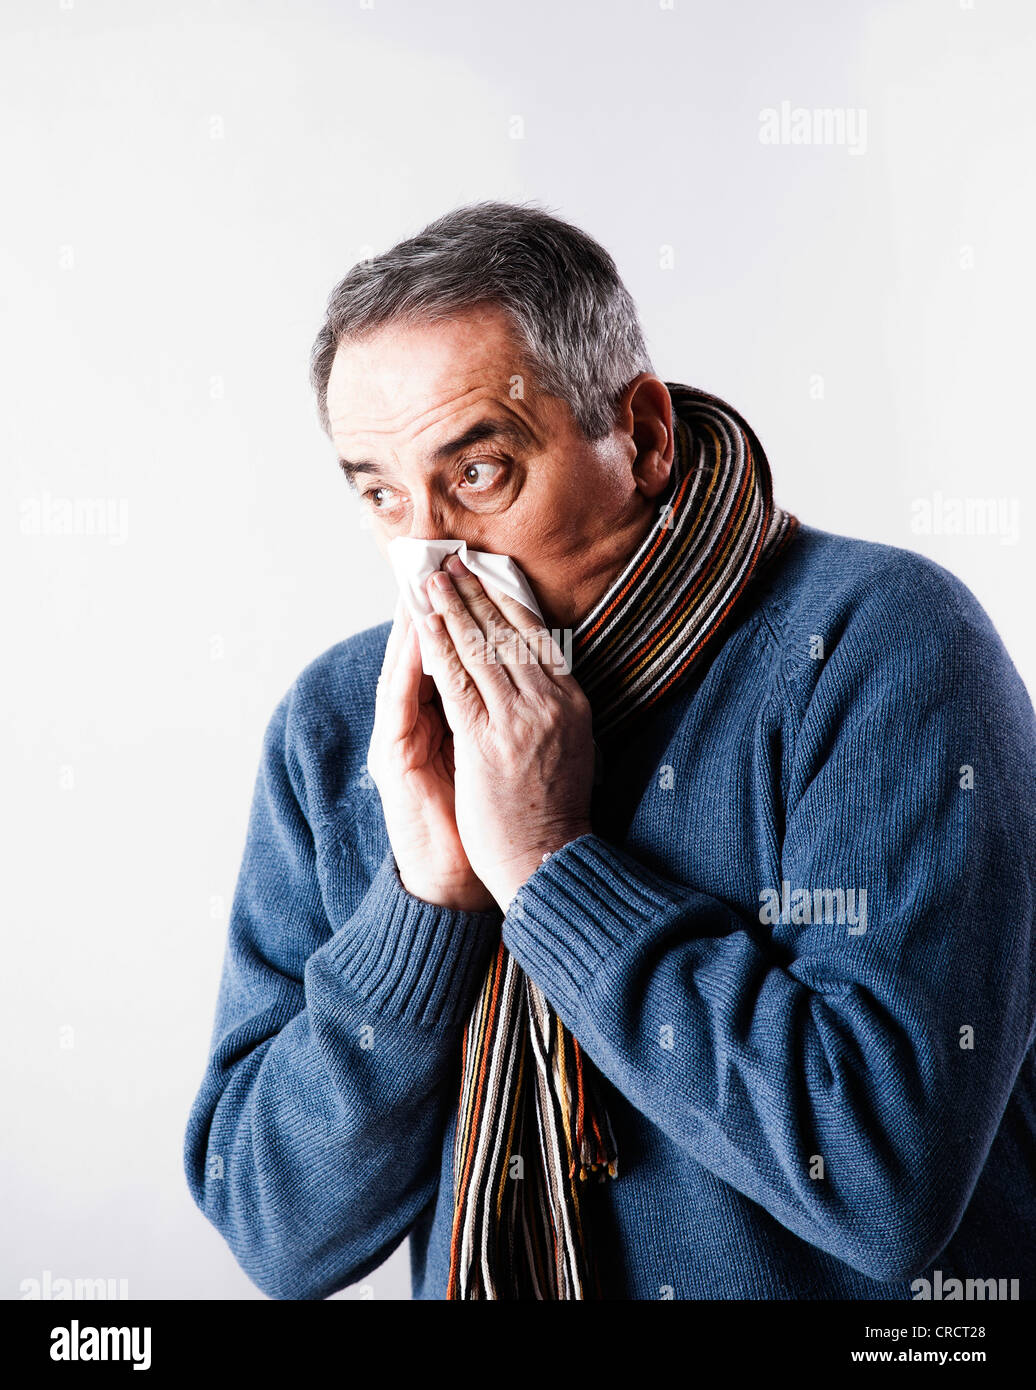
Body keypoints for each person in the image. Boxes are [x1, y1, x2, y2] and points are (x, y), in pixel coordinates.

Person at [184, 201, 1036, 1300]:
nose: (428, 557)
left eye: (479, 474)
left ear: (638, 435)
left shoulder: (879, 644)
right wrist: (426, 903)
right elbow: (272, 1231)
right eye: (385, 495)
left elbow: (883, 1181)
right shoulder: (343, 720)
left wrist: (549, 865)